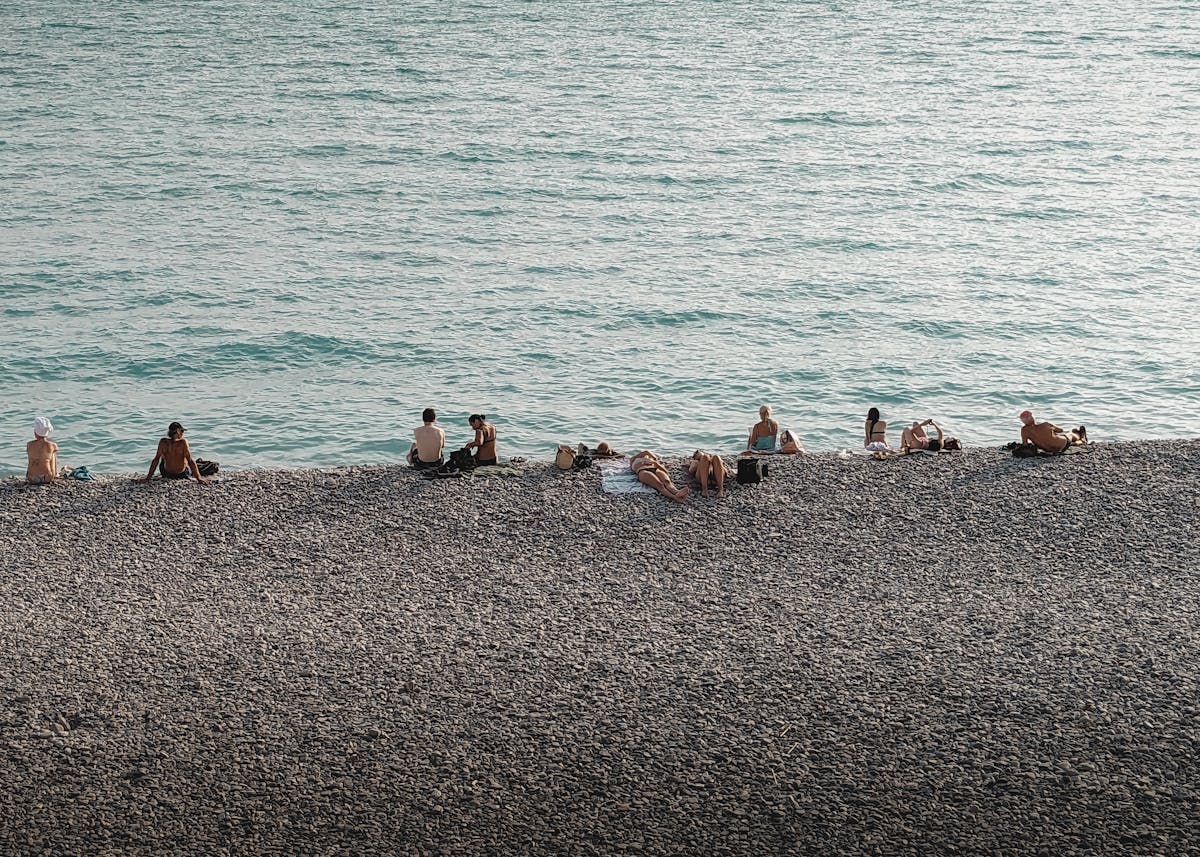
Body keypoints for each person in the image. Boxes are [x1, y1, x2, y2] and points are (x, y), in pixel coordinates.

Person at [139, 421, 211, 484]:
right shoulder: (183, 442)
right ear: (178, 431)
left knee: (162, 457)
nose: (183, 434)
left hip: (166, 473)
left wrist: (148, 478)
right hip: (181, 474)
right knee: (188, 459)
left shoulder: (163, 441)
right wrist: (199, 478)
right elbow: (190, 460)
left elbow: (156, 460)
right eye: (182, 431)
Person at [1019, 410, 1086, 453]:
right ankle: (1081, 438)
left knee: (1062, 438)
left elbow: (1025, 444)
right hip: (1061, 445)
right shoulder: (1046, 425)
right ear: (1032, 417)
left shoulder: (1024, 431)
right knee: (1070, 434)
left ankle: (1076, 441)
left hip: (1047, 450)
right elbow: (1060, 430)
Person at [26, 416, 59, 484]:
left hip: (31, 478)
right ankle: (55, 473)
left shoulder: (29, 445)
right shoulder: (52, 445)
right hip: (47, 478)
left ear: (35, 432)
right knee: (52, 454)